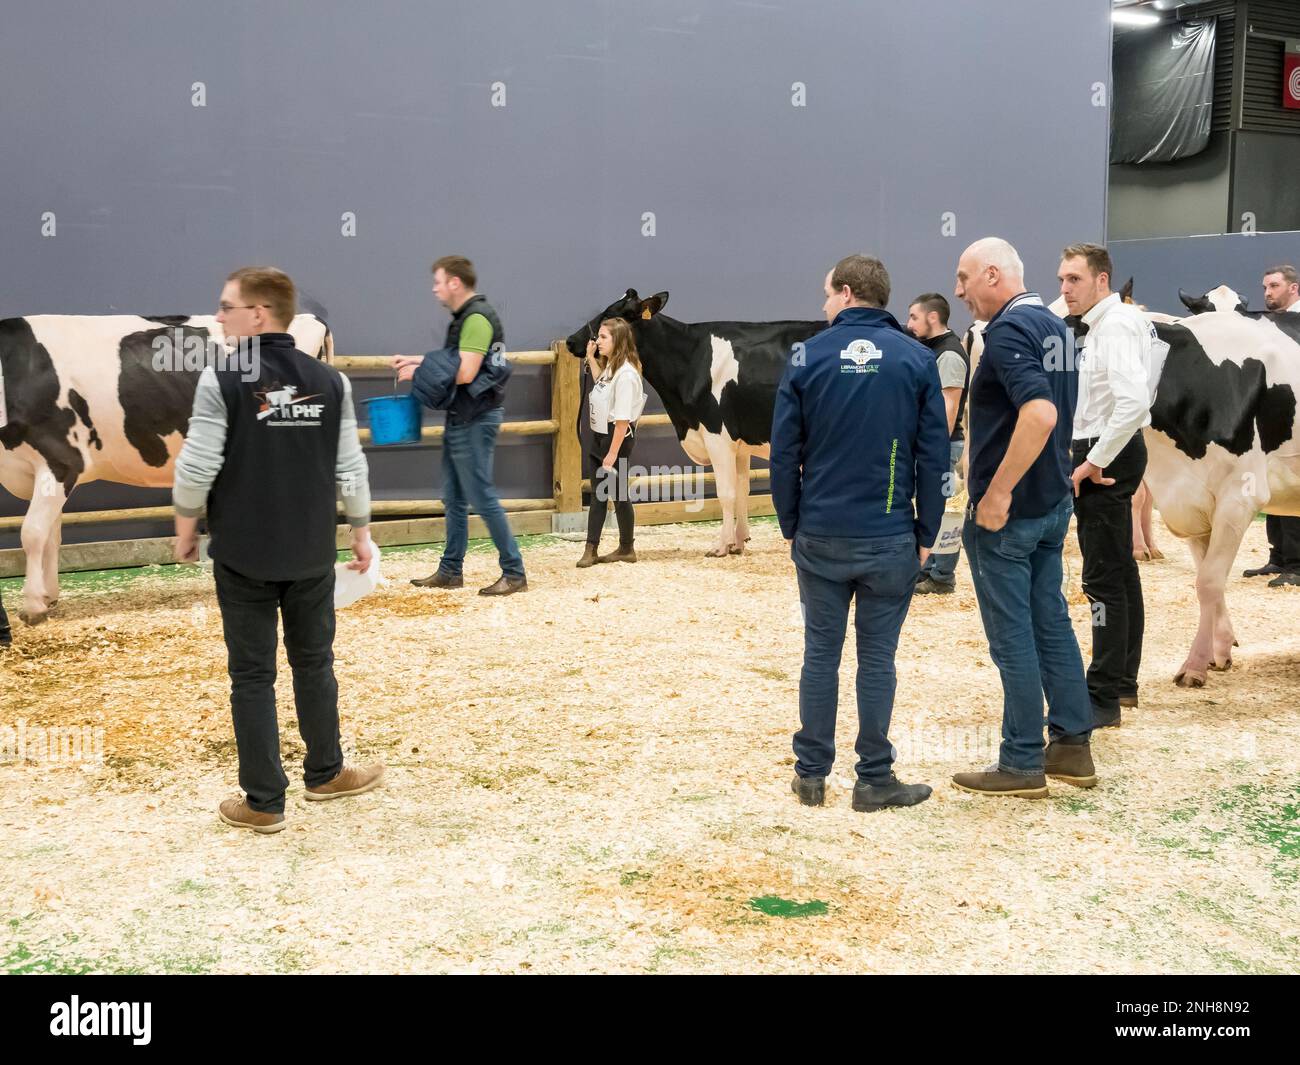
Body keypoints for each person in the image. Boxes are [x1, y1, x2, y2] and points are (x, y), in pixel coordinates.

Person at [173, 266, 384, 834]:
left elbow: (197, 464)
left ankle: (264, 802)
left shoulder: (221, 380)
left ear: (259, 314)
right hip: (311, 552)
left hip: (243, 553)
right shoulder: (330, 381)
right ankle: (325, 772)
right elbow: (349, 466)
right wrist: (360, 531)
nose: (218, 317)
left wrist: (186, 522)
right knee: (314, 662)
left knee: (251, 675)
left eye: (227, 307)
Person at [771, 254, 949, 813]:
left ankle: (811, 775)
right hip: (890, 536)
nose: (823, 303)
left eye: (827, 293)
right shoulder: (918, 359)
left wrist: (790, 523)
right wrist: (927, 533)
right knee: (878, 659)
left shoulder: (806, 356)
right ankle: (874, 778)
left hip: (821, 534)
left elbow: (784, 453)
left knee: (820, 654)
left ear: (847, 292)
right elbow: (933, 456)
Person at [950, 238, 1096, 798]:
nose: (959, 291)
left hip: (1010, 515)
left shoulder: (1007, 332)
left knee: (1012, 635)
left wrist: (997, 492)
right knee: (1050, 621)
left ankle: (1020, 761)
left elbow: (1039, 412)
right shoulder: (1056, 326)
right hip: (1052, 504)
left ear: (992, 274)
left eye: (964, 279)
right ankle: (1071, 745)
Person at [1059, 243, 1155, 725]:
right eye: (1061, 279)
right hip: (1116, 447)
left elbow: (1135, 401)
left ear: (1102, 281)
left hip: (1105, 452)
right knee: (1119, 573)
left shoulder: (1114, 324)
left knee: (1101, 581)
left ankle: (1101, 698)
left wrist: (1093, 461)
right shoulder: (1117, 318)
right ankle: (1121, 684)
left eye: (1073, 279)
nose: (1064, 289)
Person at [396, 255, 527, 596]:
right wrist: (419, 360)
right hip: (464, 414)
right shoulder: (468, 319)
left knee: (481, 495)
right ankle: (451, 570)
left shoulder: (478, 319)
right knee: (454, 497)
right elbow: (463, 360)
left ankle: (514, 573)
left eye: (438, 281)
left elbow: (466, 372)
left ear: (455, 282)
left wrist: (418, 372)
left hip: (475, 417)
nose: (435, 288)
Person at [906, 292, 970, 593]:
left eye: (914, 317)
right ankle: (928, 568)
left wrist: (931, 448)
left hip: (944, 445)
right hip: (933, 446)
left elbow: (948, 409)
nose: (909, 324)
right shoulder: (932, 349)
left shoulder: (950, 354)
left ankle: (943, 577)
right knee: (931, 506)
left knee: (945, 510)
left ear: (933, 317)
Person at [1244, 265, 1300, 587]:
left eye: (1275, 286)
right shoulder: (1271, 326)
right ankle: (1278, 556)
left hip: (1295, 413)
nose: (1267, 293)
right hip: (1275, 411)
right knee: (1274, 480)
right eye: (1265, 286)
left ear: (1293, 289)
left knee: (1292, 482)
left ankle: (1296, 562)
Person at [578, 317, 646, 567]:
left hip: (616, 439)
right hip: (600, 436)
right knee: (600, 494)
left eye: (603, 337)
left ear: (617, 341)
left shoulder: (627, 375)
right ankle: (592, 549)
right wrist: (590, 358)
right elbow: (601, 384)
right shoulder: (611, 369)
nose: (598, 341)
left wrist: (611, 455)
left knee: (617, 495)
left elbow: (622, 421)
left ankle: (625, 548)